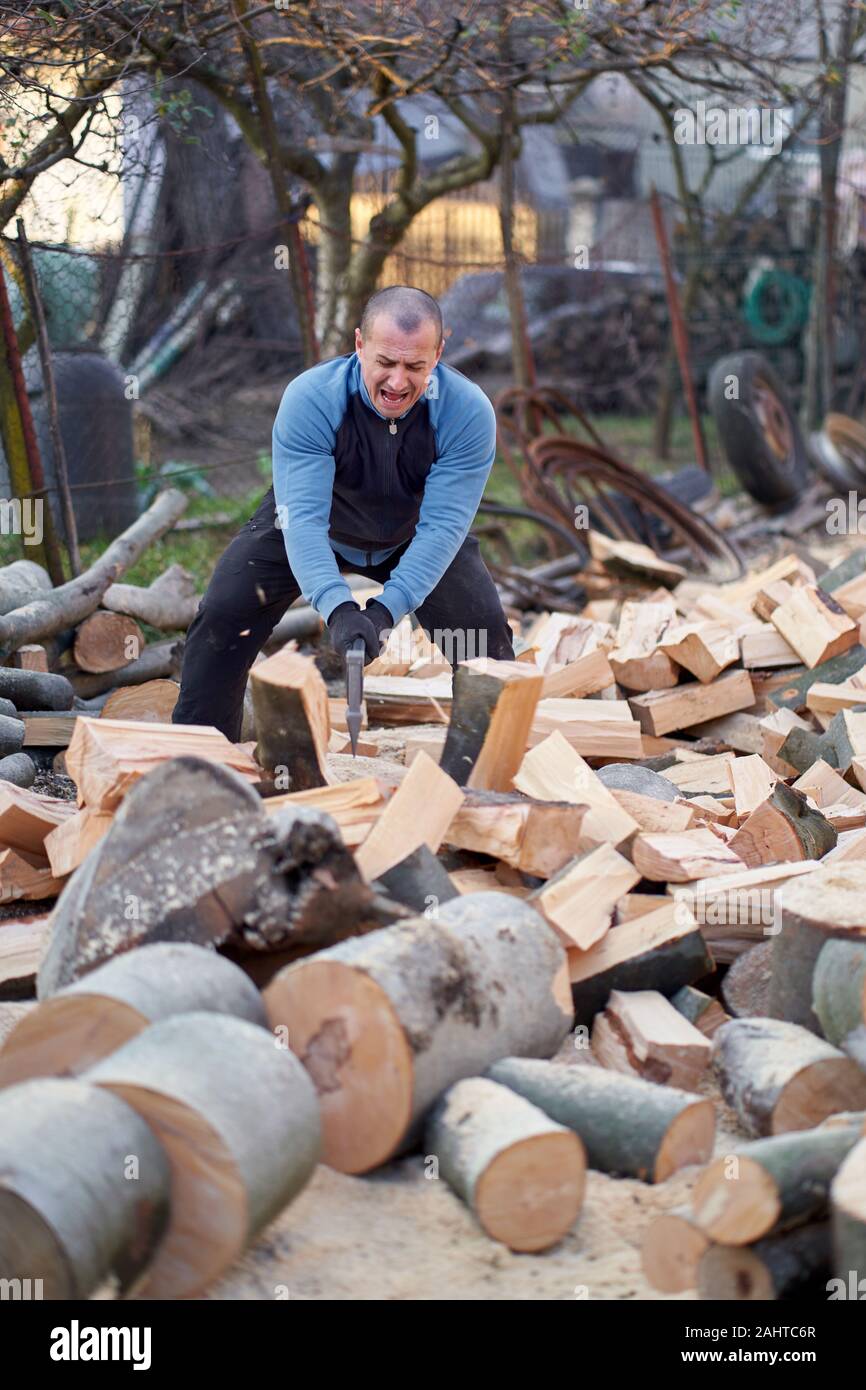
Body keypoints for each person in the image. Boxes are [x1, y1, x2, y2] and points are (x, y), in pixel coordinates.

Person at [172, 284, 515, 741]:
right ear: (359, 345)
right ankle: (200, 762)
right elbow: (304, 522)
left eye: (415, 366)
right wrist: (337, 608)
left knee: (483, 643)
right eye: (385, 363)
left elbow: (442, 529)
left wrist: (384, 613)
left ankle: (483, 774)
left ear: (438, 353)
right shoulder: (313, 398)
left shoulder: (466, 412)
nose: (397, 382)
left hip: (413, 533)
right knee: (224, 615)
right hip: (316, 524)